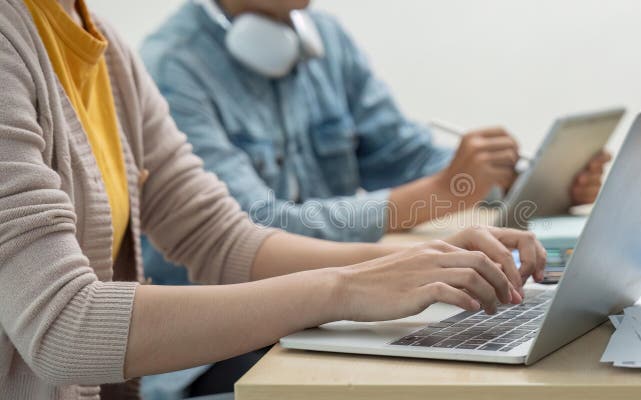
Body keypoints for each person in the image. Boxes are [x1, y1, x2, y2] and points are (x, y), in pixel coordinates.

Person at [0, 1, 549, 399]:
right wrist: (349, 287)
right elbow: (64, 328)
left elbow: (226, 240)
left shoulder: (106, 48)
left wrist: (424, 262)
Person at [138, 0, 611, 282]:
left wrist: (526, 183)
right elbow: (257, 233)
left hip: (330, 297)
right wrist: (442, 193)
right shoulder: (173, 68)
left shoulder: (325, 38)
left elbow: (404, 155)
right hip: (227, 338)